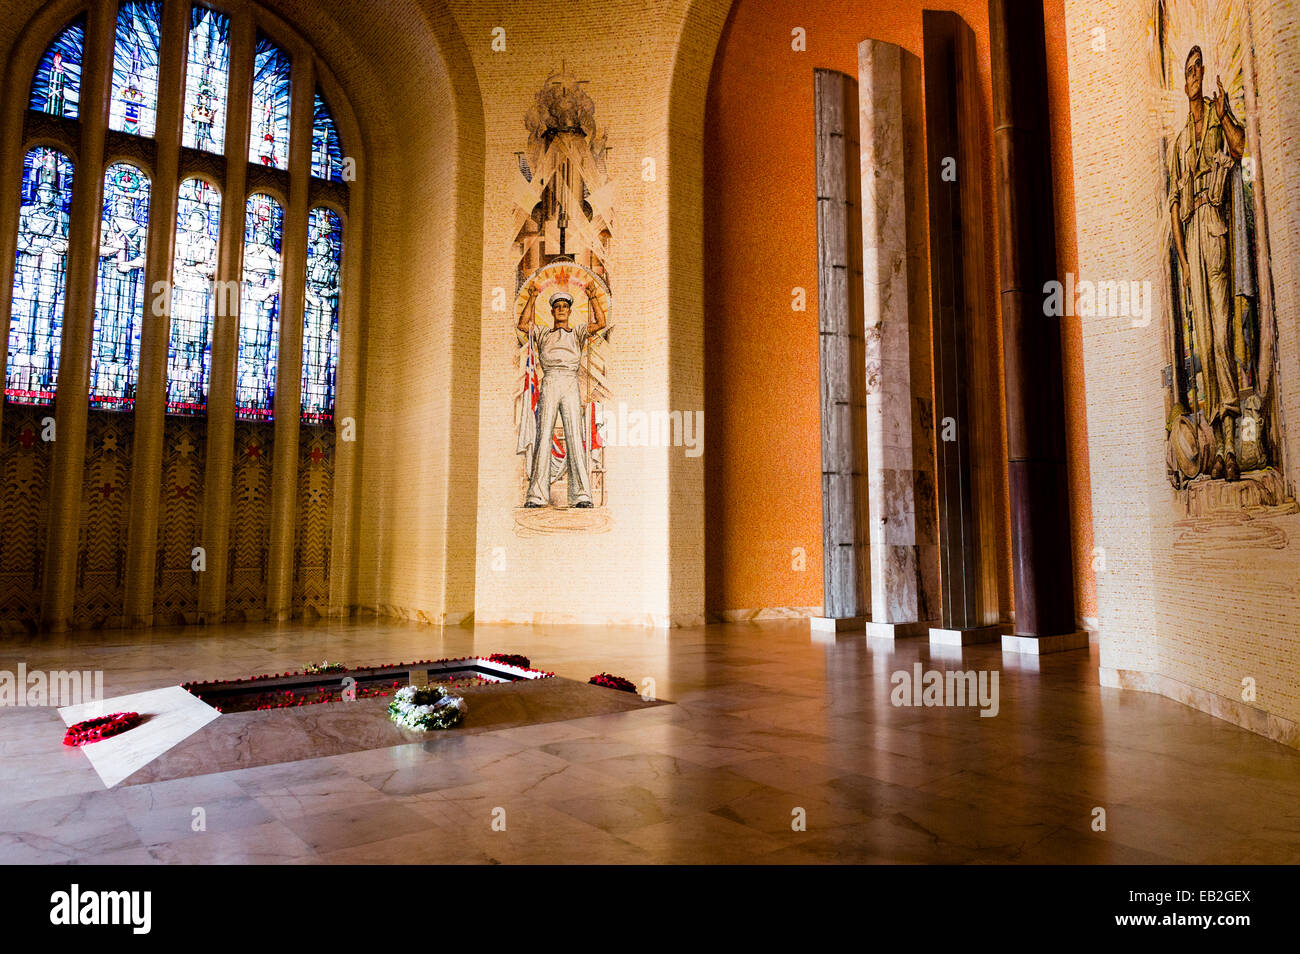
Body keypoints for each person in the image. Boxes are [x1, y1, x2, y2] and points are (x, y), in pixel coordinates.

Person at [1168, 45, 1247, 481]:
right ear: (1184, 84)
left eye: (1199, 68)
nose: (1195, 75)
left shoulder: (1216, 118)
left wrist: (1227, 112)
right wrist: (1181, 257)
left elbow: (1240, 149)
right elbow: (1177, 201)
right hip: (1191, 239)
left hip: (1213, 225)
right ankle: (1216, 450)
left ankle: (1233, 443)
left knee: (1220, 335)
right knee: (1201, 346)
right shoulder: (1180, 142)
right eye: (1189, 71)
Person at [517, 275, 606, 508]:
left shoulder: (576, 333)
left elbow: (600, 323)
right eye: (557, 307)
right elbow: (523, 325)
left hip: (569, 382)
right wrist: (533, 297)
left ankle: (581, 495)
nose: (561, 310)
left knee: (575, 435)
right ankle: (536, 495)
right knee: (543, 435)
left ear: (569, 310)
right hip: (549, 381)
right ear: (552, 311)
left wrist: (593, 297)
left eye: (565, 306)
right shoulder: (544, 333)